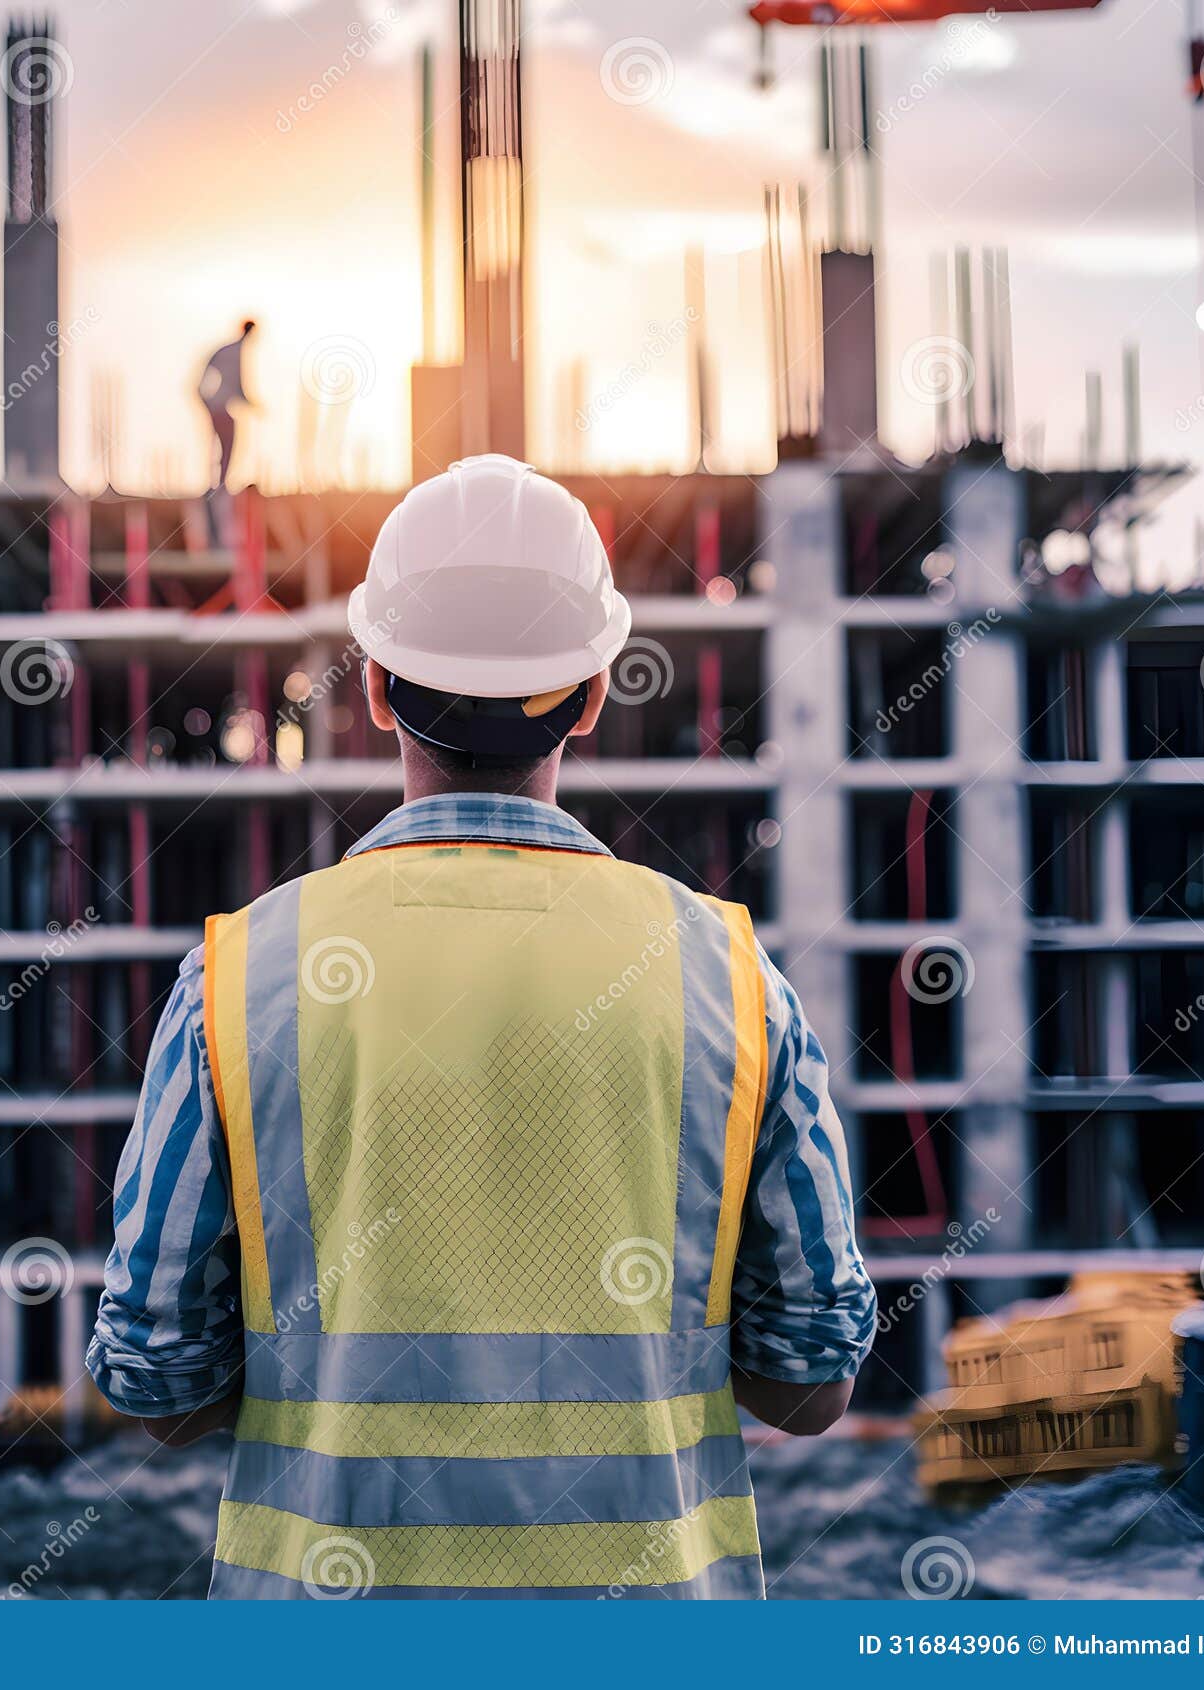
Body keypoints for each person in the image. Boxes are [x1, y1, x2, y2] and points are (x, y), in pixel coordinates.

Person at [87, 454, 876, 1599]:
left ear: (375, 688)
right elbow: (812, 1381)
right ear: (594, 691)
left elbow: (154, 1381)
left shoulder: (238, 974)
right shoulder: (729, 976)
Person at [197, 319, 255, 494]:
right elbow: (238, 385)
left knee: (216, 444)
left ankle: (217, 483)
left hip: (216, 405)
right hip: (219, 407)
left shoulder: (227, 350)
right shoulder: (235, 352)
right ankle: (220, 483)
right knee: (226, 444)